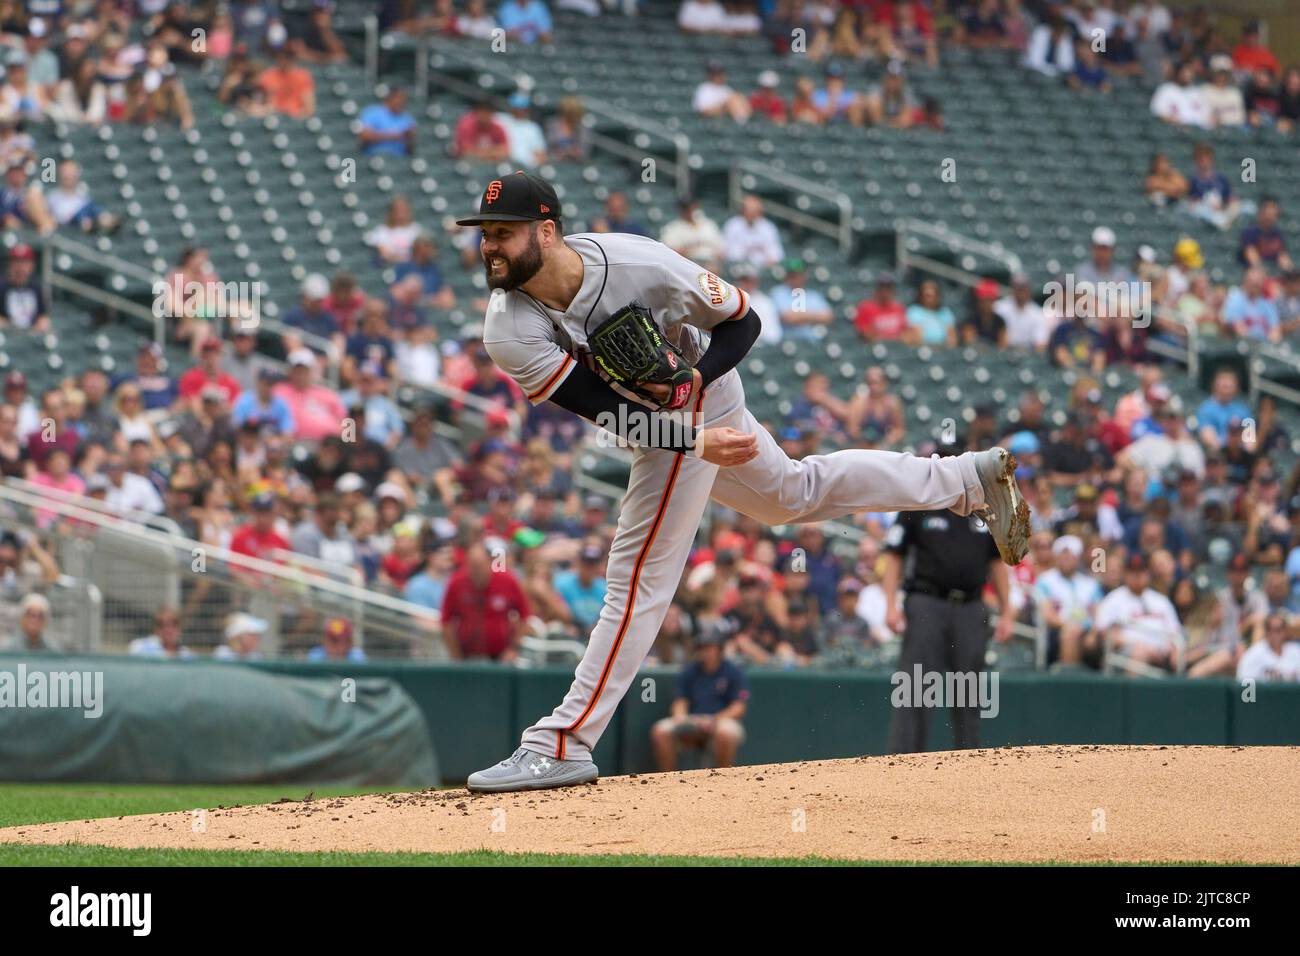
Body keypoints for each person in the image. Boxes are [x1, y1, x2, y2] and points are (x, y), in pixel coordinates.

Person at [458, 172, 1031, 792]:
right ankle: (966, 480)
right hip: (660, 423)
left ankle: (564, 742)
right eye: (485, 234)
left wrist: (696, 384)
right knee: (794, 496)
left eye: (503, 233)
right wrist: (694, 438)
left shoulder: (637, 261)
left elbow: (743, 321)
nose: (490, 246)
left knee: (639, 578)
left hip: (701, 390)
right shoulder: (508, 327)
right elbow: (603, 407)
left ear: (546, 231)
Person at [882, 451, 1016, 754]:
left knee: (968, 692)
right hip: (927, 603)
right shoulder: (918, 503)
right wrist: (891, 604)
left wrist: (1007, 611)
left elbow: (998, 563)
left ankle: (969, 764)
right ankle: (903, 765)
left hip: (971, 607)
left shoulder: (984, 509)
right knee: (916, 688)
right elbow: (893, 555)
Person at [650, 622, 749, 770]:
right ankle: (668, 779)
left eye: (709, 647)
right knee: (660, 731)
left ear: (719, 649)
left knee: (726, 732)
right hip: (694, 721)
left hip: (720, 720)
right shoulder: (690, 670)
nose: (705, 651)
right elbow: (680, 700)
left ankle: (722, 778)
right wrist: (681, 717)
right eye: (702, 647)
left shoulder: (733, 671)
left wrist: (714, 720)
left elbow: (738, 707)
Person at [440, 542, 531, 661]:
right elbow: (446, 621)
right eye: (472, 566)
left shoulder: (507, 580)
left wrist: (513, 648)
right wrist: (455, 654)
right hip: (466, 655)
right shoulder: (456, 583)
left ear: (489, 563)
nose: (476, 571)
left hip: (500, 656)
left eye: (480, 566)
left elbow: (524, 615)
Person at [1095, 553, 1184, 671]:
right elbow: (1104, 633)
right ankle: (1133, 689)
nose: (1137, 576)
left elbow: (1175, 632)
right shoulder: (1113, 599)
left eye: (1141, 572)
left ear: (1148, 574)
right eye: (1132, 572)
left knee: (1181, 656)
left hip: (1162, 653)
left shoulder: (1161, 601)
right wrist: (1140, 646)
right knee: (1139, 653)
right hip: (1127, 652)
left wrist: (1174, 650)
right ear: (1125, 574)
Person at [1033, 535, 1103, 667]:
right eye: (1062, 555)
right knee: (1070, 633)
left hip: (1087, 632)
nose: (1066, 559)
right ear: (1056, 557)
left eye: (1070, 556)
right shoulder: (1045, 581)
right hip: (1055, 631)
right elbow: (1047, 615)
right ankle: (1070, 680)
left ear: (1077, 558)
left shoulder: (1091, 584)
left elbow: (1098, 614)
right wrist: (1069, 626)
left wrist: (1093, 634)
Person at [1236, 612, 1300, 683]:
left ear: (1285, 631)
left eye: (1279, 629)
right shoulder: (1253, 654)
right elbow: (1245, 684)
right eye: (1271, 629)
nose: (1275, 634)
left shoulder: (1295, 651)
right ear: (1266, 631)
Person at [357, 86, 416, 157]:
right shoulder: (372, 112)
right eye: (397, 98)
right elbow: (365, 136)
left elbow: (410, 147)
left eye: (403, 99)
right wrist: (395, 136)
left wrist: (409, 138)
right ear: (389, 98)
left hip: (399, 159)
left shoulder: (407, 118)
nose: (400, 102)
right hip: (374, 158)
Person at [128, 607, 195, 658]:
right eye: (162, 625)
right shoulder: (140, 648)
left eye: (174, 624)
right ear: (155, 629)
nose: (168, 629)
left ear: (179, 628)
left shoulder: (187, 655)